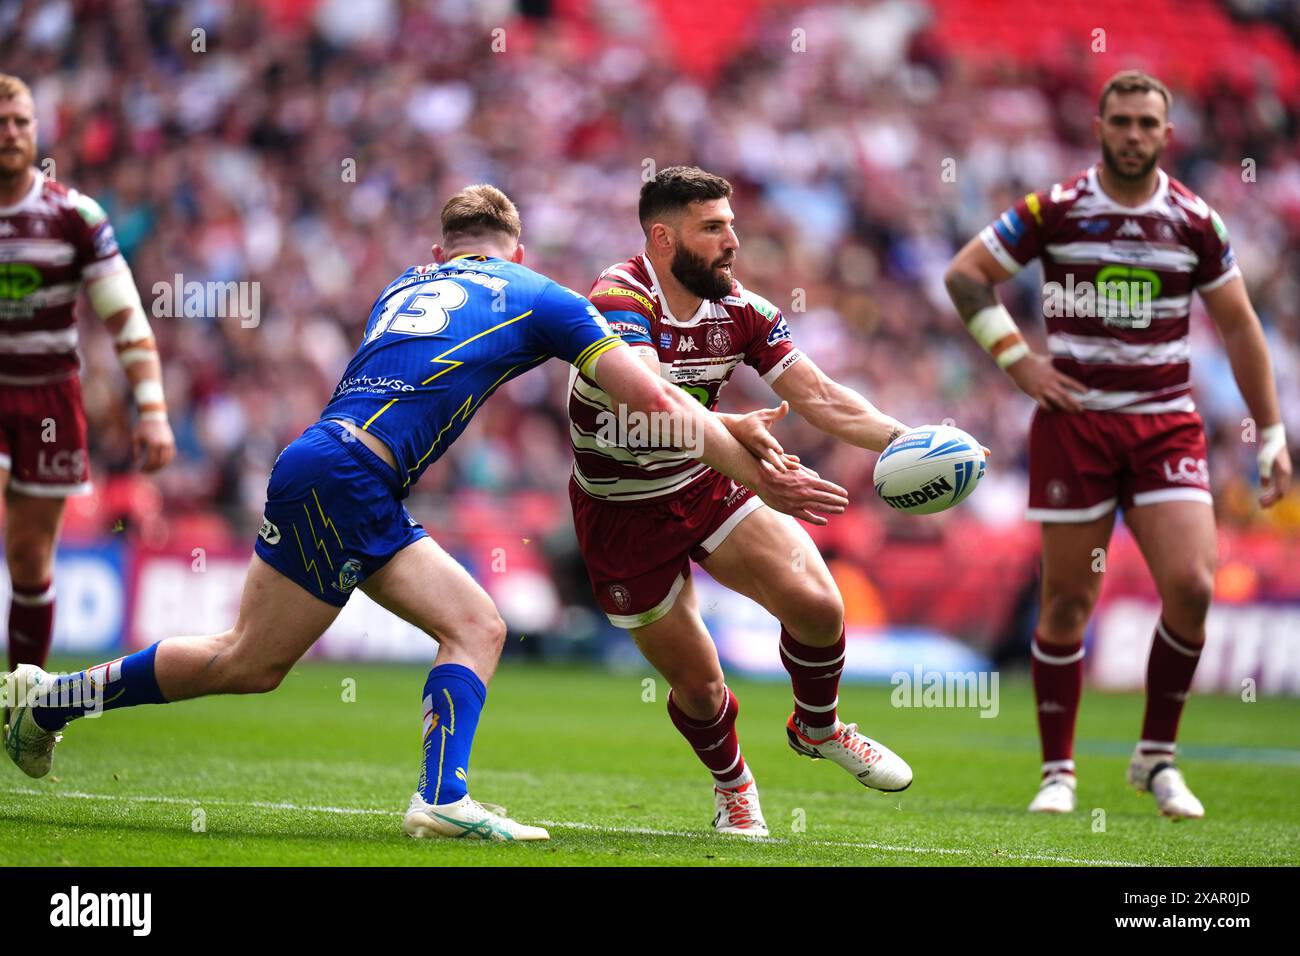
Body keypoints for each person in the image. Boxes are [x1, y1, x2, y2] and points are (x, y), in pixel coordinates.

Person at [1, 184, 848, 841]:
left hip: (313, 460)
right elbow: (652, 397)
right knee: (476, 626)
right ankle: (441, 798)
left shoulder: (403, 286)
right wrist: (746, 455)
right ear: (519, 248)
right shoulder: (539, 291)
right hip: (360, 476)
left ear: (438, 248)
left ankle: (48, 700)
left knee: (247, 661)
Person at [943, 70, 1292, 819]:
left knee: (1194, 588)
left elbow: (1239, 327)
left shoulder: (1196, 221)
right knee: (1067, 601)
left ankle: (1157, 757)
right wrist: (1019, 361)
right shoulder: (1057, 210)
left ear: (1168, 135)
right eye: (1122, 121)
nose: (1134, 135)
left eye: (1148, 124)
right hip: (1076, 426)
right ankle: (1058, 773)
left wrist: (1270, 432)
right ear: (1099, 127)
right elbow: (966, 277)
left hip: (1165, 424)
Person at [568, 166, 915, 837]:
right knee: (700, 688)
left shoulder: (743, 311)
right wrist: (745, 452)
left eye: (731, 225)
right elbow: (653, 402)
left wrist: (910, 439)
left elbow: (820, 398)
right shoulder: (618, 296)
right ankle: (734, 786)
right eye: (713, 228)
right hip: (620, 508)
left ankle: (818, 727)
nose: (732, 241)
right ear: (663, 238)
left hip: (703, 482)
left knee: (817, 604)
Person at [0, 74, 175, 673]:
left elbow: (126, 319)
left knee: (28, 560)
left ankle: (20, 703)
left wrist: (151, 409)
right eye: (1, 123)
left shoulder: (75, 216)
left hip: (50, 402)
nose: (11, 132)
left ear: (37, 130)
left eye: (21, 121)